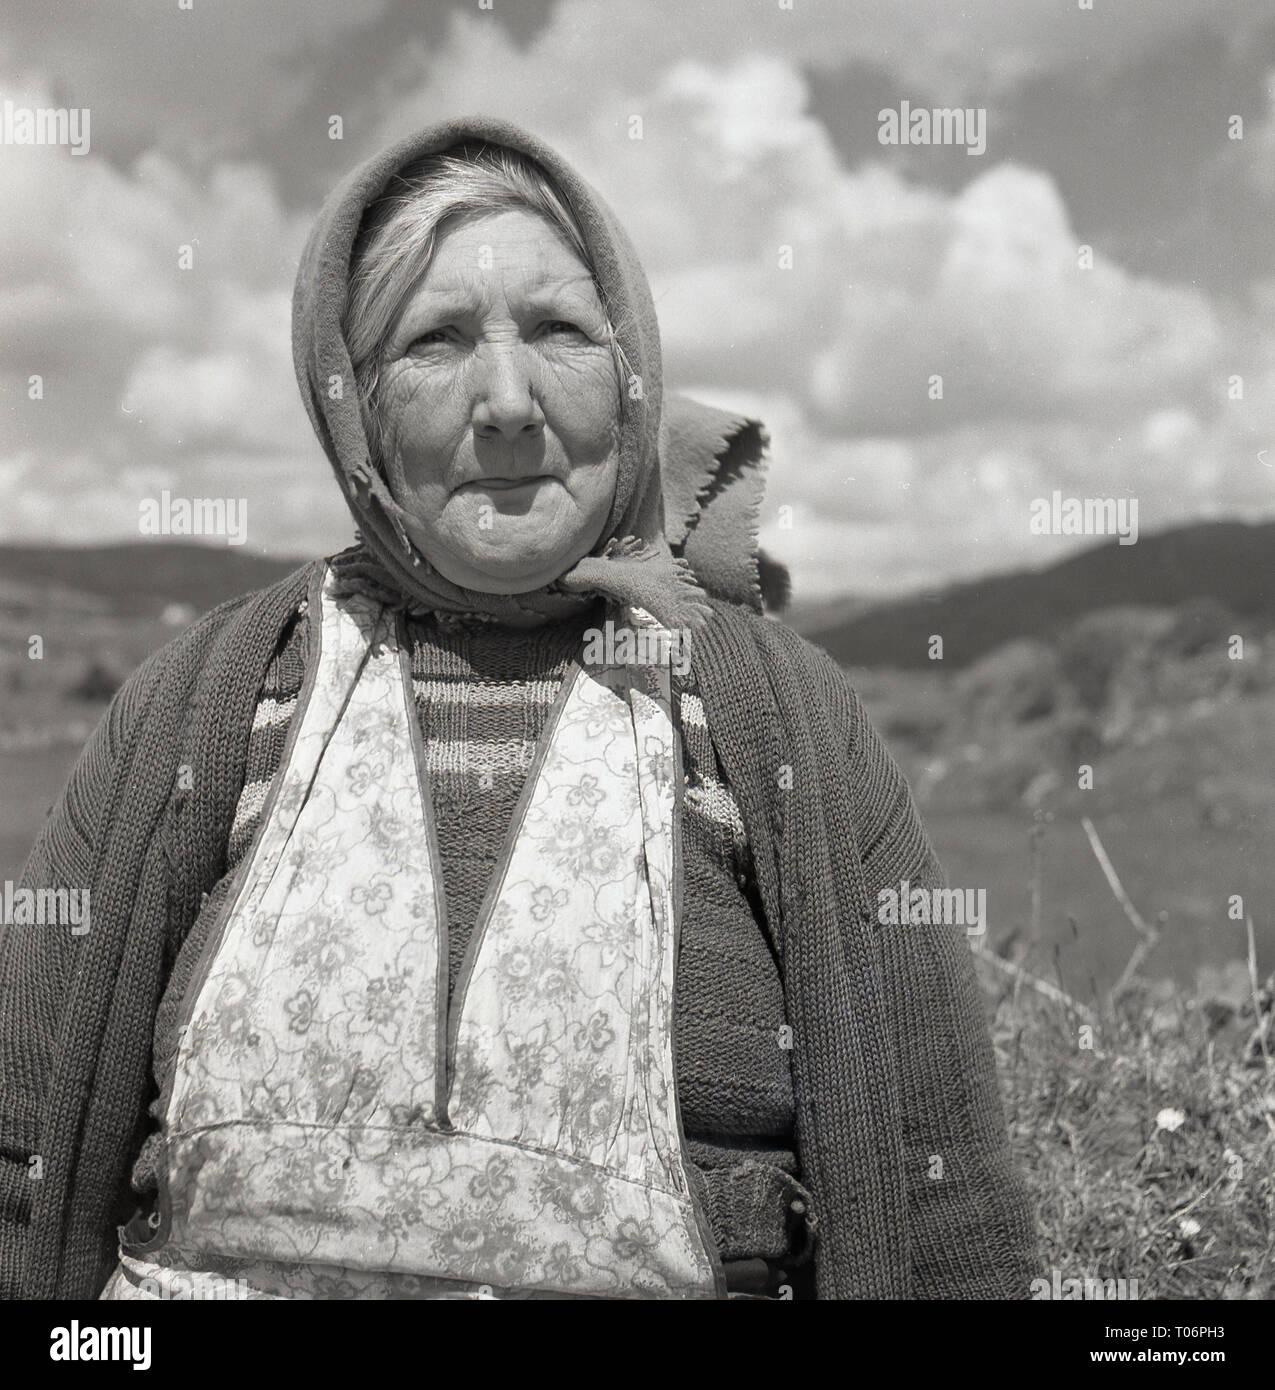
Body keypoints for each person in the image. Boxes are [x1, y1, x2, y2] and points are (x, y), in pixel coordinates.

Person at [0, 116, 1037, 1300]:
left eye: (560, 331)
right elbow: (23, 1152)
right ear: (356, 402)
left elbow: (938, 1200)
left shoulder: (767, 715)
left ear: (632, 371)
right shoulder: (214, 701)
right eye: (436, 341)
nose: (507, 401)